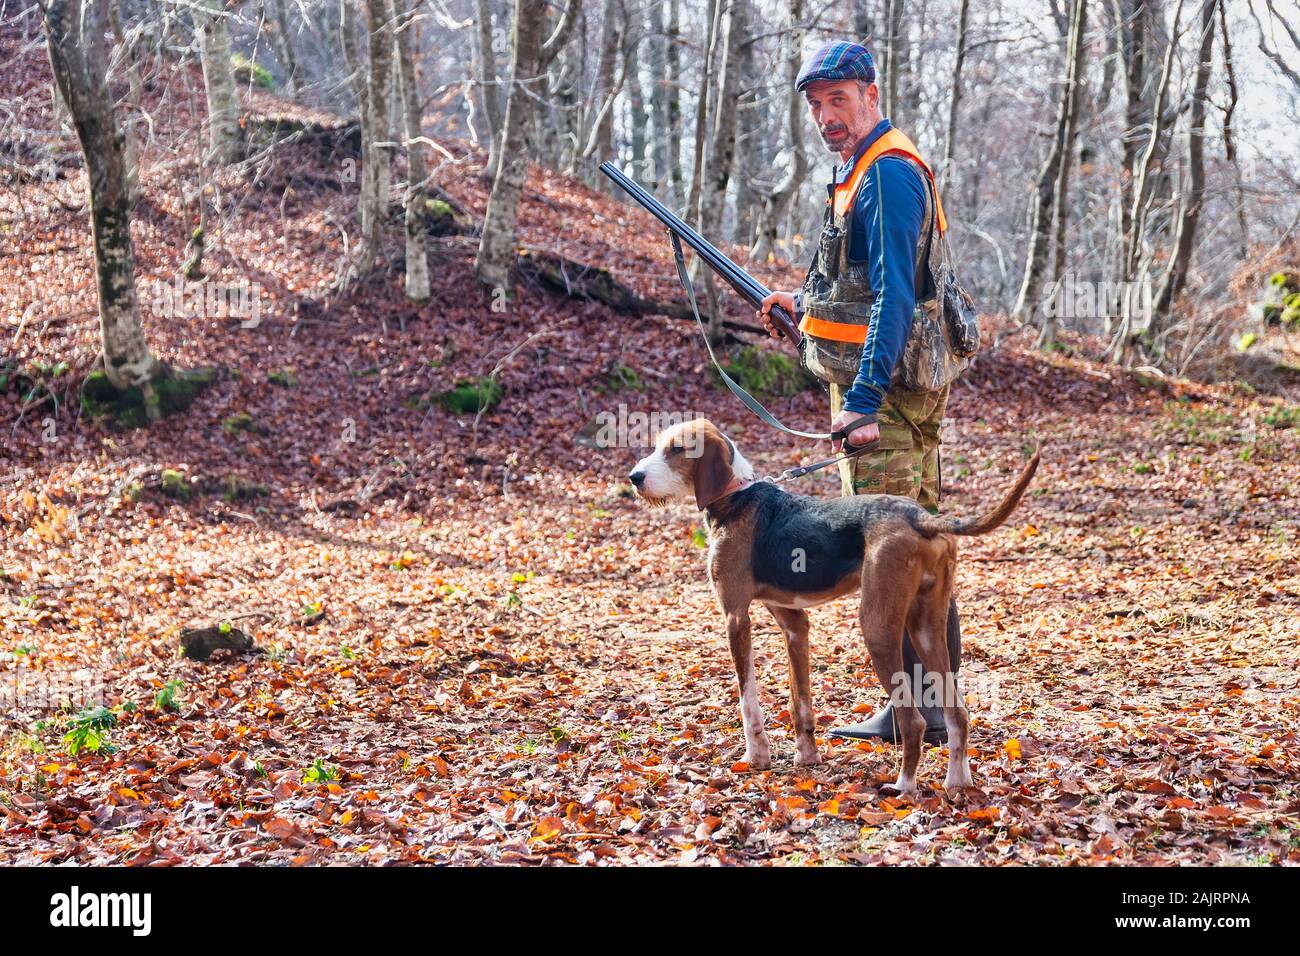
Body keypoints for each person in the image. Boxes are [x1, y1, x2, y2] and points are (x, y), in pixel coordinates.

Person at [758, 40, 968, 744]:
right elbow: (857, 285)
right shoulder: (859, 173)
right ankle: (925, 708)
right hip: (889, 393)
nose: (826, 117)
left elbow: (896, 296)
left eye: (839, 100)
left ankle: (923, 714)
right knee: (922, 550)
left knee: (902, 557)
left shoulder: (886, 175)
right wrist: (801, 302)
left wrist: (866, 400)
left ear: (872, 95)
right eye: (817, 106)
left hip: (891, 403)